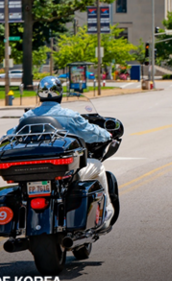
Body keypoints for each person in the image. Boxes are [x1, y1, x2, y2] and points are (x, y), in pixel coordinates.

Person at [8, 77, 114, 224]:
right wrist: (107, 134)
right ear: (60, 94)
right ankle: (107, 209)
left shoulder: (27, 117)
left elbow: (11, 135)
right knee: (98, 166)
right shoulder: (69, 116)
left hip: (31, 172)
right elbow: (91, 133)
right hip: (63, 172)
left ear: (39, 95)